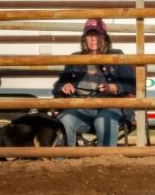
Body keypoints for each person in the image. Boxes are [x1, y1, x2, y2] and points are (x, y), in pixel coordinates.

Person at [53, 18, 135, 147]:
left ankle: (104, 162)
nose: (93, 38)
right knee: (64, 120)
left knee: (103, 120)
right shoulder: (75, 58)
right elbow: (57, 87)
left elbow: (133, 86)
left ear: (105, 38)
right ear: (84, 39)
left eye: (97, 34)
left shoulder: (117, 55)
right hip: (80, 108)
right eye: (89, 35)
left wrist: (114, 87)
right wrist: (64, 87)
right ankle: (62, 163)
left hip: (110, 106)